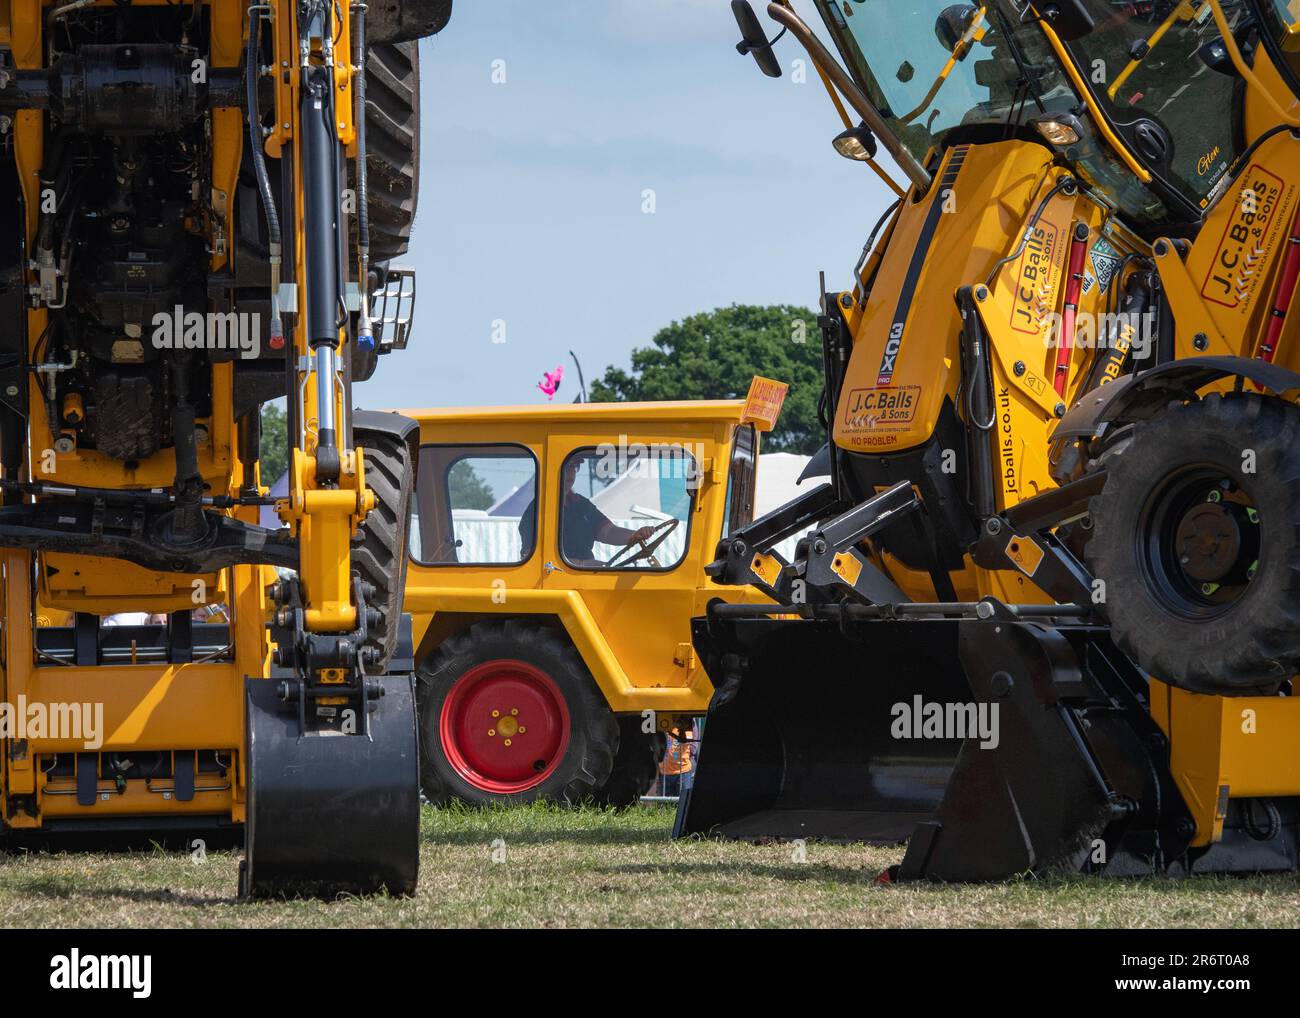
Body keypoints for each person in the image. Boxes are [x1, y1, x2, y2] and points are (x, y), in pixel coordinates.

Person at [518, 458, 657, 567]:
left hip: (584, 577)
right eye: (567, 466)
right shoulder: (537, 510)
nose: (571, 472)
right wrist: (581, 565)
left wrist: (634, 535)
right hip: (559, 582)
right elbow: (532, 559)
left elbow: (608, 532)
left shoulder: (581, 504)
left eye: (574, 467)